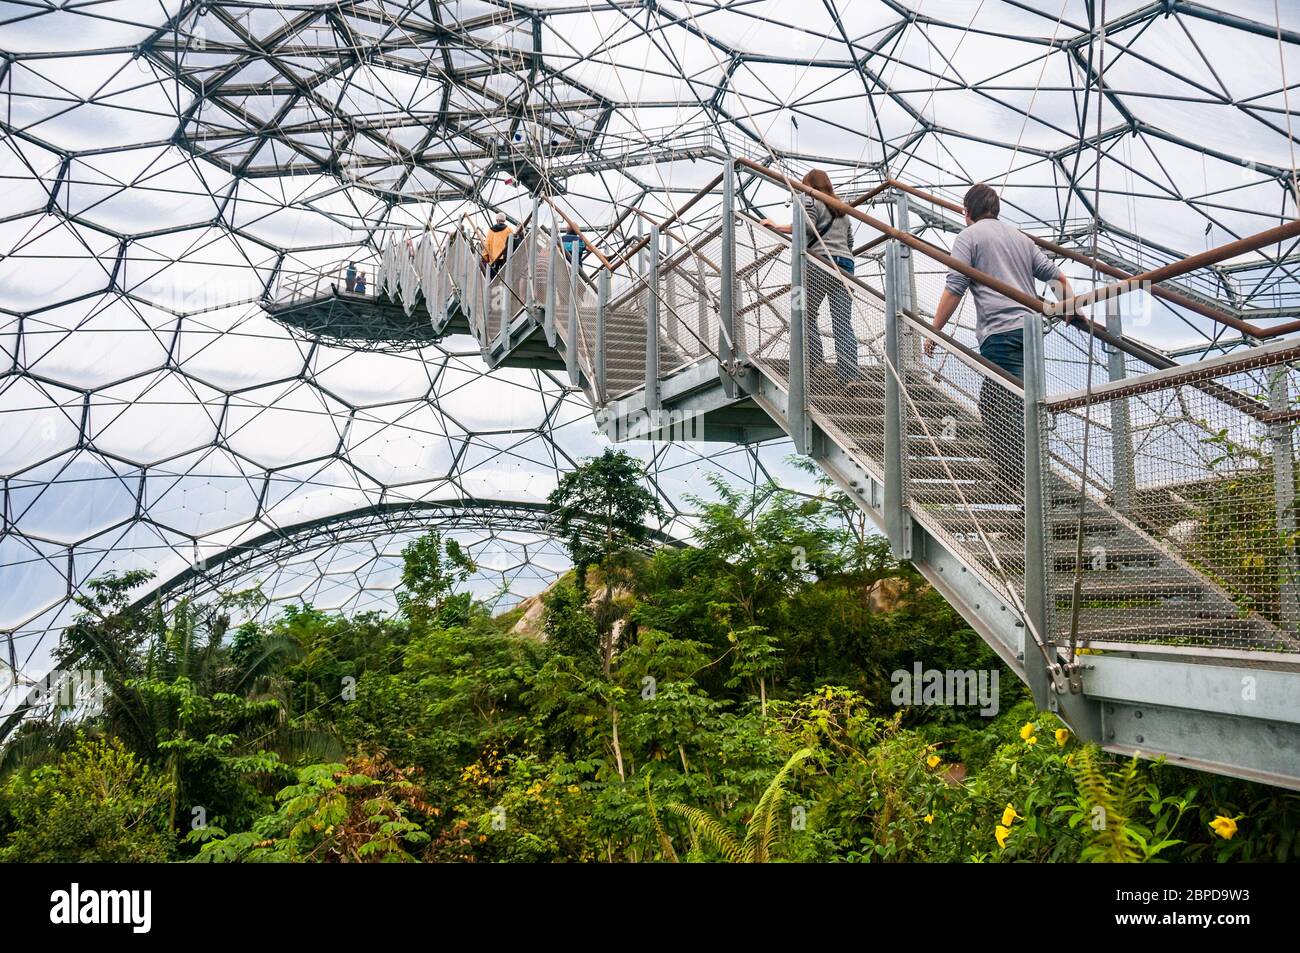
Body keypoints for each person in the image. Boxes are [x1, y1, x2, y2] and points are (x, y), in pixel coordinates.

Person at [925, 182, 1079, 493]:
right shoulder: (1019, 237)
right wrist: (1070, 309)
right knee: (1018, 403)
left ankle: (1018, 483)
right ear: (995, 210)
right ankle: (1030, 482)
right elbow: (1056, 276)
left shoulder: (968, 237)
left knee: (997, 405)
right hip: (1031, 332)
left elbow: (955, 286)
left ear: (966, 212)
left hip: (1000, 333)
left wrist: (934, 330)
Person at [762, 169, 859, 384]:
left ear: (808, 185)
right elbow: (850, 243)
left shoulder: (806, 198)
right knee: (843, 323)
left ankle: (817, 364)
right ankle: (850, 376)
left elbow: (807, 225)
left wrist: (778, 226)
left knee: (803, 314)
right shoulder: (841, 210)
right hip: (845, 266)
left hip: (817, 265)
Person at [483, 212, 514, 278]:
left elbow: (487, 245)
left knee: (493, 278)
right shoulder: (509, 230)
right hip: (505, 258)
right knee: (505, 278)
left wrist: (485, 257)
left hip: (493, 258)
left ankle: (492, 287)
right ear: (504, 220)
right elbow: (513, 243)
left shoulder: (491, 231)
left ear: (496, 220)